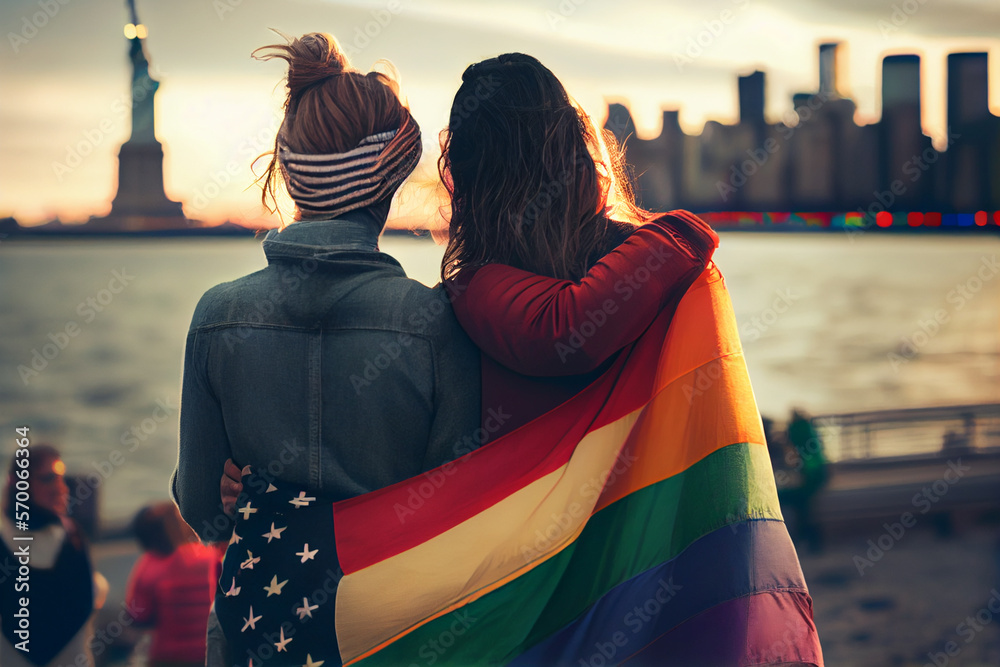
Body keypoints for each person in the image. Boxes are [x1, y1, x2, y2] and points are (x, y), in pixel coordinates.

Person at [218, 50, 821, 665]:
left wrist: (274, 489)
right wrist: (684, 233)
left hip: (527, 602)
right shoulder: (662, 274)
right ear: (573, 147)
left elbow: (427, 467)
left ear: (469, 176)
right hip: (649, 571)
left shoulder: (472, 296)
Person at [170, 31, 481, 665]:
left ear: (288, 172)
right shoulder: (436, 324)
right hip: (391, 634)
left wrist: (247, 503)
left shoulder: (216, 317)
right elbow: (456, 508)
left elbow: (202, 509)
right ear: (391, 178)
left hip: (253, 634)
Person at [0, 445, 108, 667]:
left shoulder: (72, 535)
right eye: (49, 478)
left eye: (61, 478)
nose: (61, 488)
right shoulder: (71, 536)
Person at [125, 501, 222, 667]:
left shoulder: (149, 566)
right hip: (211, 654)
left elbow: (137, 616)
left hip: (168, 658)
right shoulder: (212, 557)